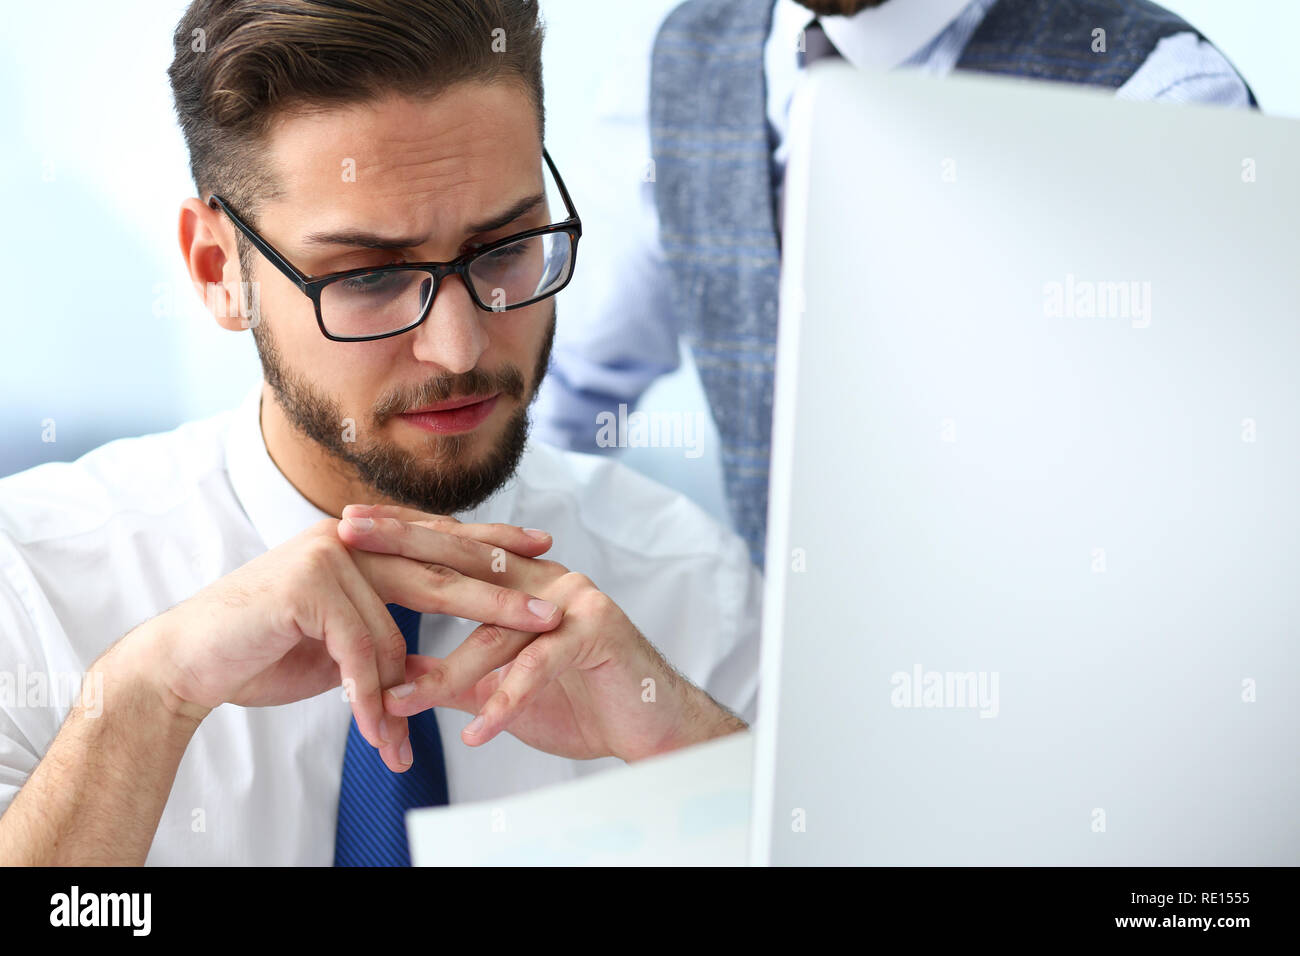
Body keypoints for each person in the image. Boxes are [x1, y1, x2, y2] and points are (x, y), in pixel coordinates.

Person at [0, 0, 759, 866]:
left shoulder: (694, 598)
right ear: (219, 271)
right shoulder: (29, 595)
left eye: (505, 250)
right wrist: (141, 703)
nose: (459, 346)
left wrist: (698, 765)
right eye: (368, 277)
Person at [533, 0, 1258, 567]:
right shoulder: (671, 67)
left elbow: (1213, 509)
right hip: (771, 697)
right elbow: (568, 393)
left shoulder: (1159, 97)